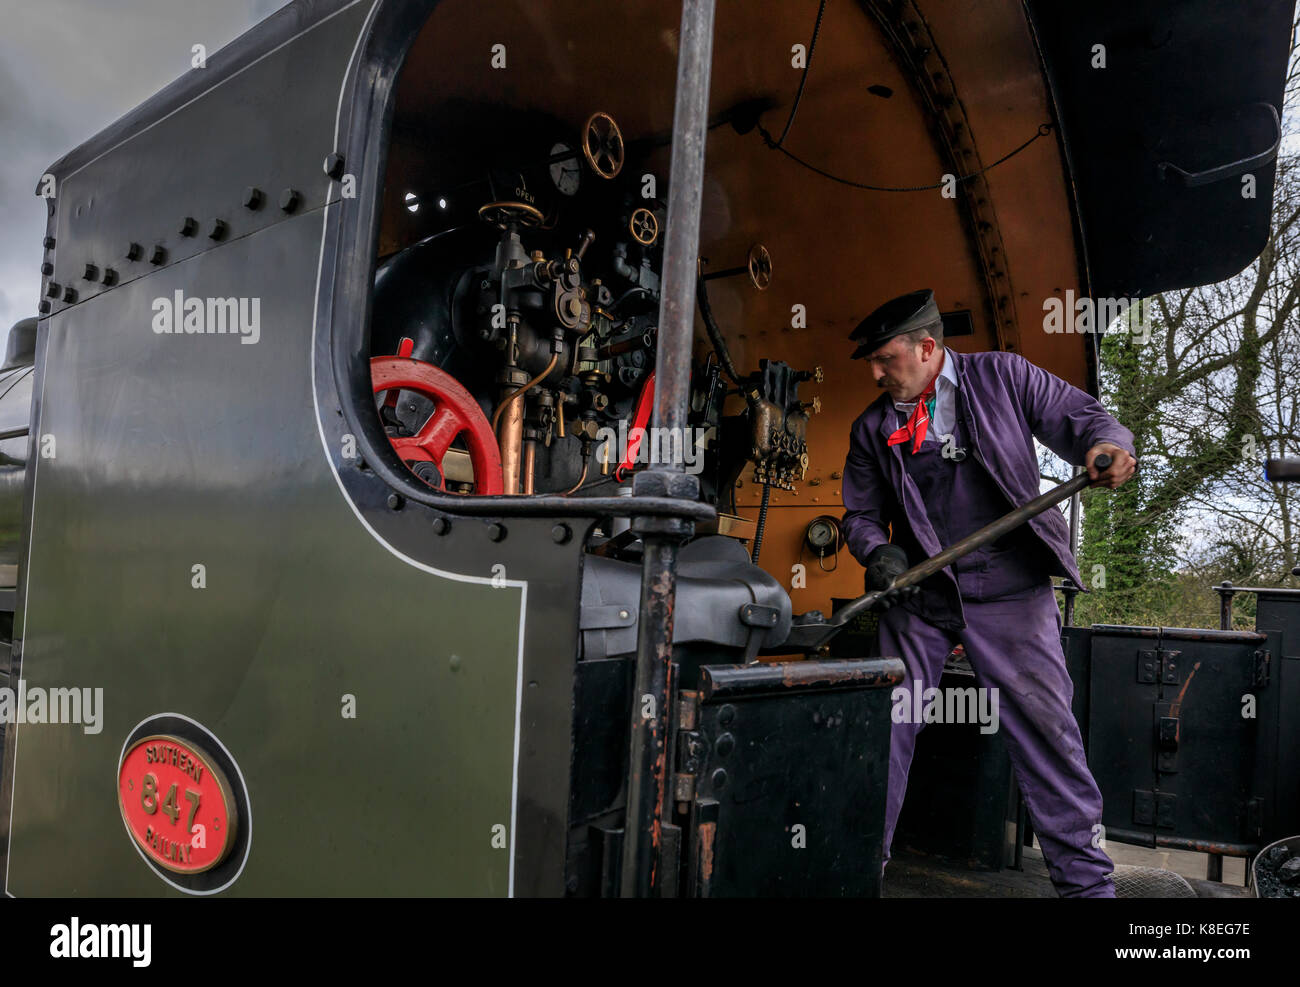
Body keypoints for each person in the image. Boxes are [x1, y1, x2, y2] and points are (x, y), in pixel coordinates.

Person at [840, 288, 1137, 898]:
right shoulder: (871, 427)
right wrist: (879, 553)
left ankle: (1087, 890)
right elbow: (861, 513)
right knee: (882, 733)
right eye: (870, 362)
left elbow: (1083, 419)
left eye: (884, 360)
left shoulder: (1002, 374)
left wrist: (1108, 448)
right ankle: (854, 876)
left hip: (1011, 589)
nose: (874, 374)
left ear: (928, 347)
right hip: (922, 595)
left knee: (1048, 735)